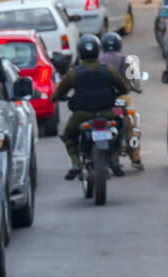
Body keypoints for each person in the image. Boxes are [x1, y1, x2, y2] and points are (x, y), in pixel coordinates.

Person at [54, 34, 130, 179]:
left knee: (68, 136)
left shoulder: (74, 73)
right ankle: (114, 162)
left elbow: (58, 93)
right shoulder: (108, 70)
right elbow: (123, 88)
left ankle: (76, 164)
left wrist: (56, 98)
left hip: (81, 114)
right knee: (118, 130)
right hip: (107, 113)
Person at [98, 32, 143, 170]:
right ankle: (135, 157)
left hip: (103, 99)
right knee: (133, 124)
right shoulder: (127, 61)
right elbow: (137, 84)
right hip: (122, 99)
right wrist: (136, 88)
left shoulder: (97, 60)